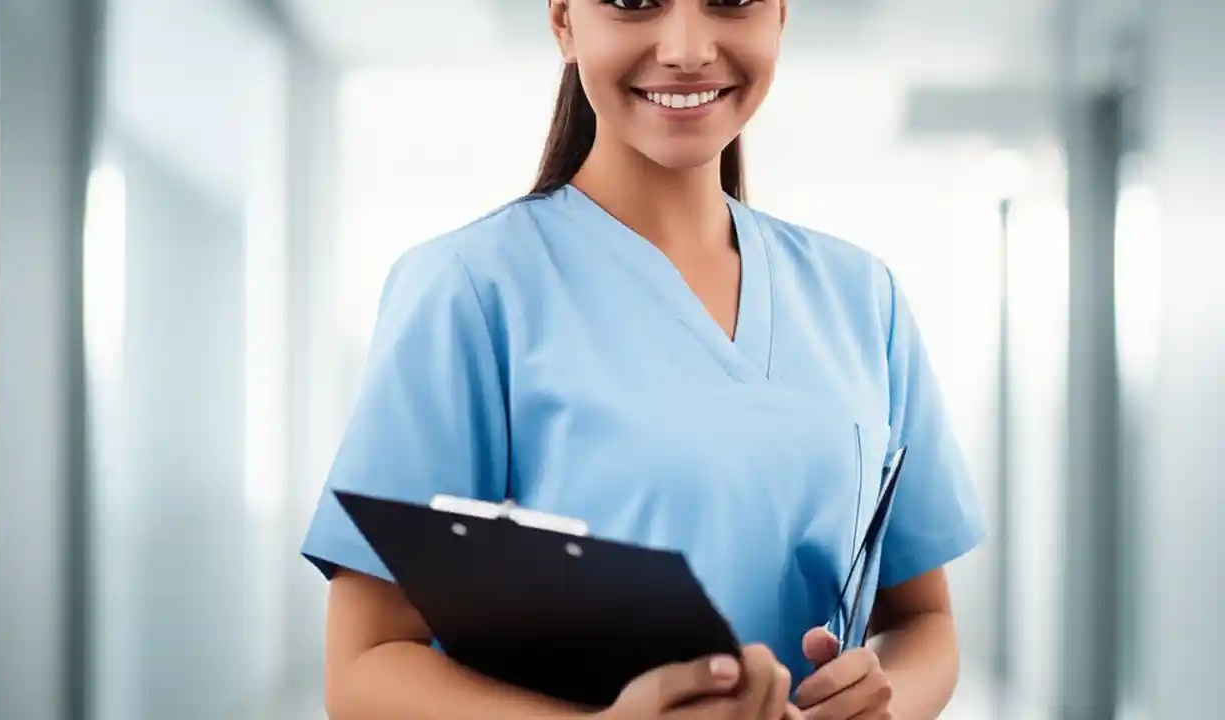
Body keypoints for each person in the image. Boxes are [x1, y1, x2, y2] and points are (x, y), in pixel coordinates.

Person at [301, 0, 987, 718]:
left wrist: (883, 702)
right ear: (564, 21)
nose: (688, 48)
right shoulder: (470, 291)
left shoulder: (860, 297)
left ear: (780, 15)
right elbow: (365, 671)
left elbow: (922, 622)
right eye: (633, 2)